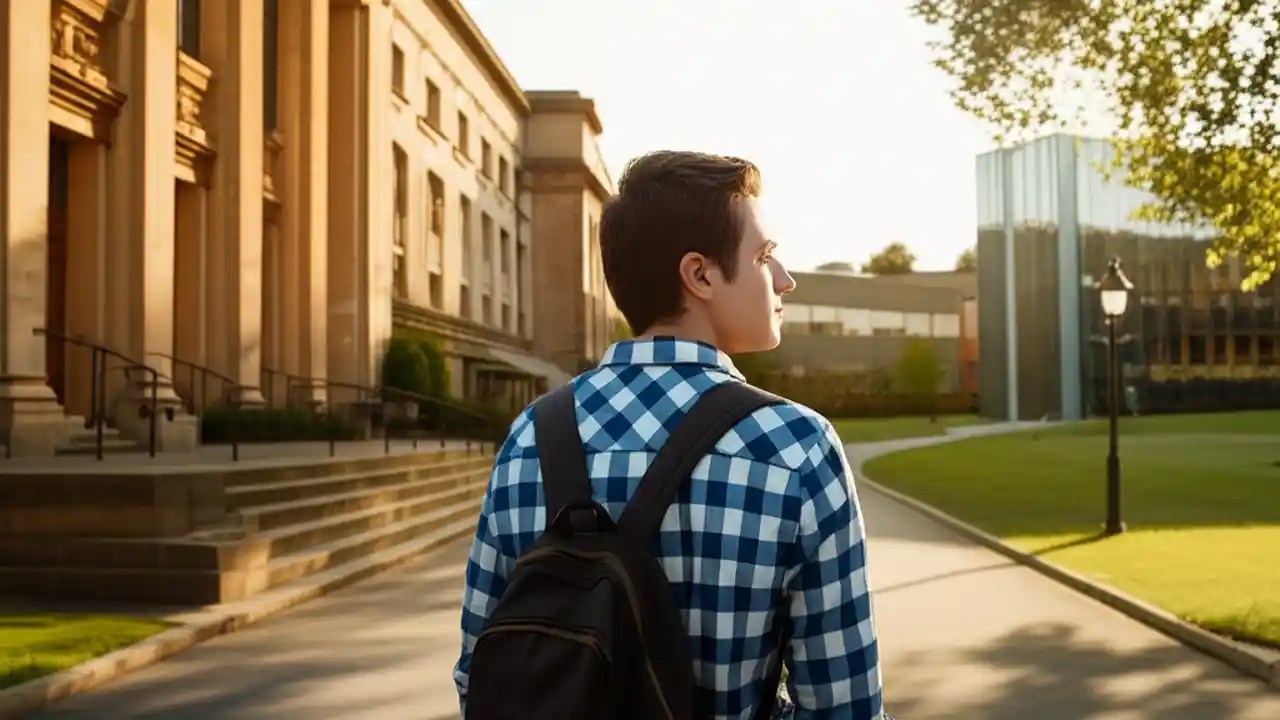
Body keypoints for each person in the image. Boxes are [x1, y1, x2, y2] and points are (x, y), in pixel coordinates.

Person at [454, 150, 886, 719]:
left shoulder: (529, 437)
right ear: (699, 274)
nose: (786, 279)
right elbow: (844, 707)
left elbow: (478, 678)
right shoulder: (795, 448)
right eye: (764, 256)